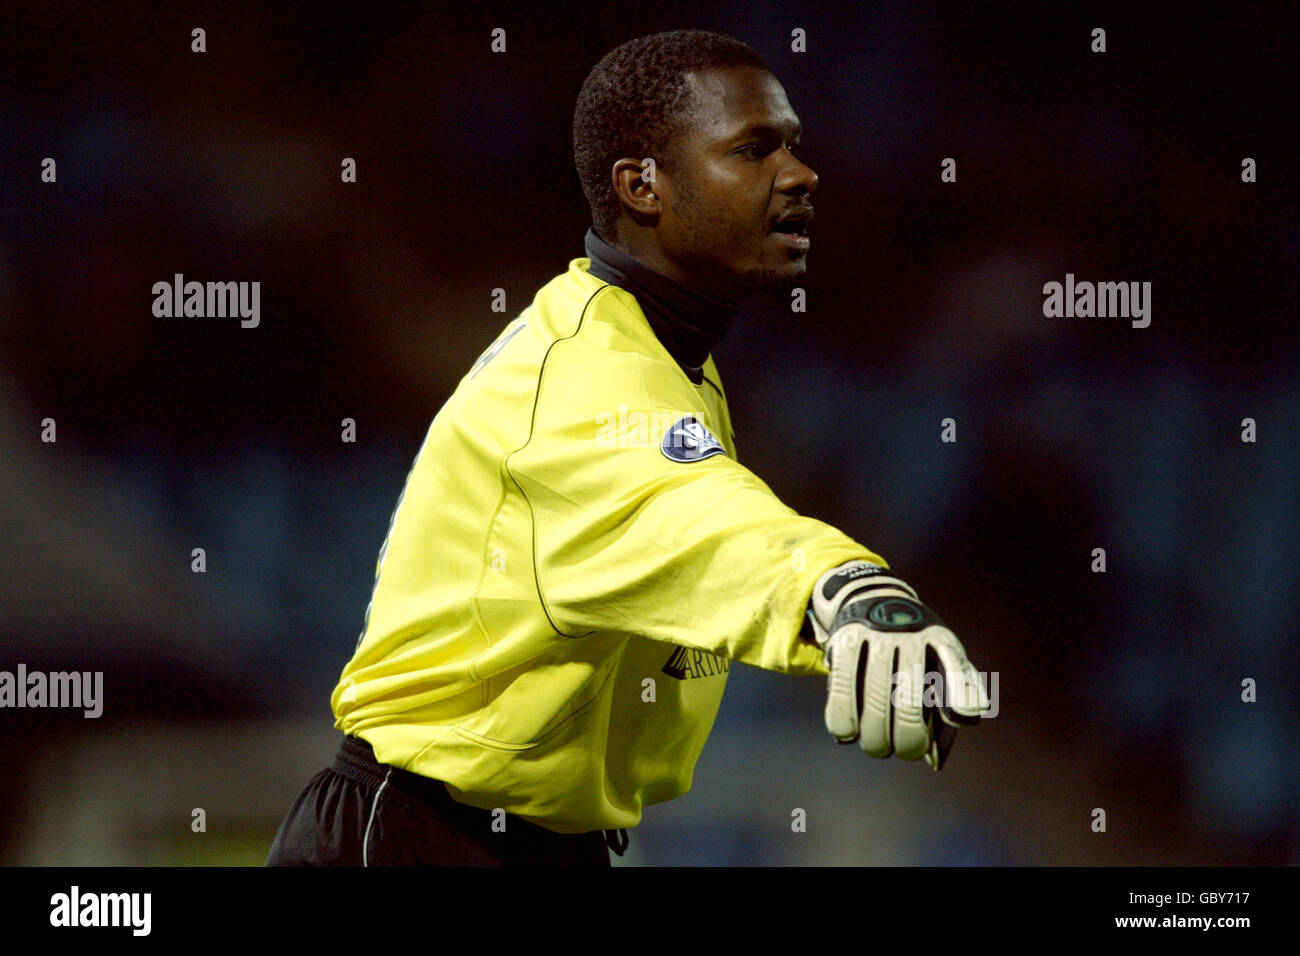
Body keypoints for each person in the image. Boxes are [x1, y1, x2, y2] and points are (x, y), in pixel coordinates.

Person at [266, 28, 989, 868]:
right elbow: (701, 520)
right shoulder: (588, 374)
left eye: (791, 145)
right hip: (415, 836)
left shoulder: (672, 360)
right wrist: (843, 590)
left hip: (525, 840)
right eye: (752, 149)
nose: (797, 174)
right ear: (642, 185)